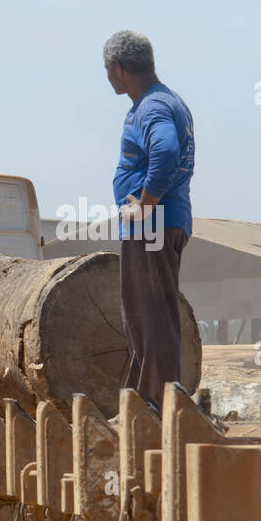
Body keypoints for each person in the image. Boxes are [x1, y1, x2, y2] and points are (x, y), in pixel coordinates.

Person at [103, 30, 195, 413]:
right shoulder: (167, 101)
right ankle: (144, 403)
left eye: (107, 70)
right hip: (163, 222)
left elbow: (166, 150)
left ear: (119, 68)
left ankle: (159, 405)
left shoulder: (152, 107)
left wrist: (144, 204)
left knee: (151, 317)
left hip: (152, 226)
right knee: (147, 317)